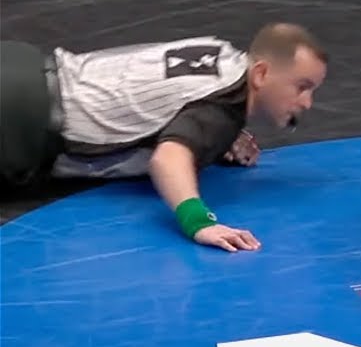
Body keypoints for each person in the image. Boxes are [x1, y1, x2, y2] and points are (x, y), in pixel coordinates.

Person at [0, 23, 327, 252]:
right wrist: (199, 222)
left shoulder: (220, 54)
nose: (307, 103)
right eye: (302, 87)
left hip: (22, 66)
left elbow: (168, 94)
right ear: (262, 73)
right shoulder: (220, 111)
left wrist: (214, 139)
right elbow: (168, 160)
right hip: (18, 120)